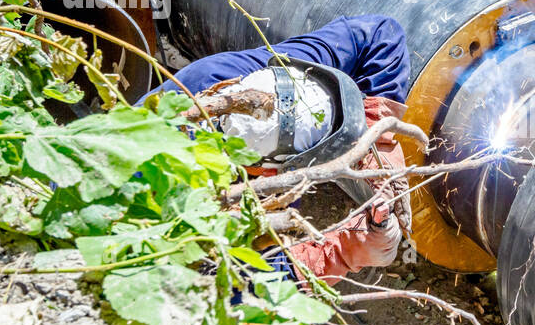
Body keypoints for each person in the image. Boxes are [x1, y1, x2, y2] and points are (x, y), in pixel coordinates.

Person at [146, 15, 414, 281]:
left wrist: (378, 139)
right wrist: (343, 253)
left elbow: (380, 33)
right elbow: (248, 289)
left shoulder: (241, 77)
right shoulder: (180, 210)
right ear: (268, 172)